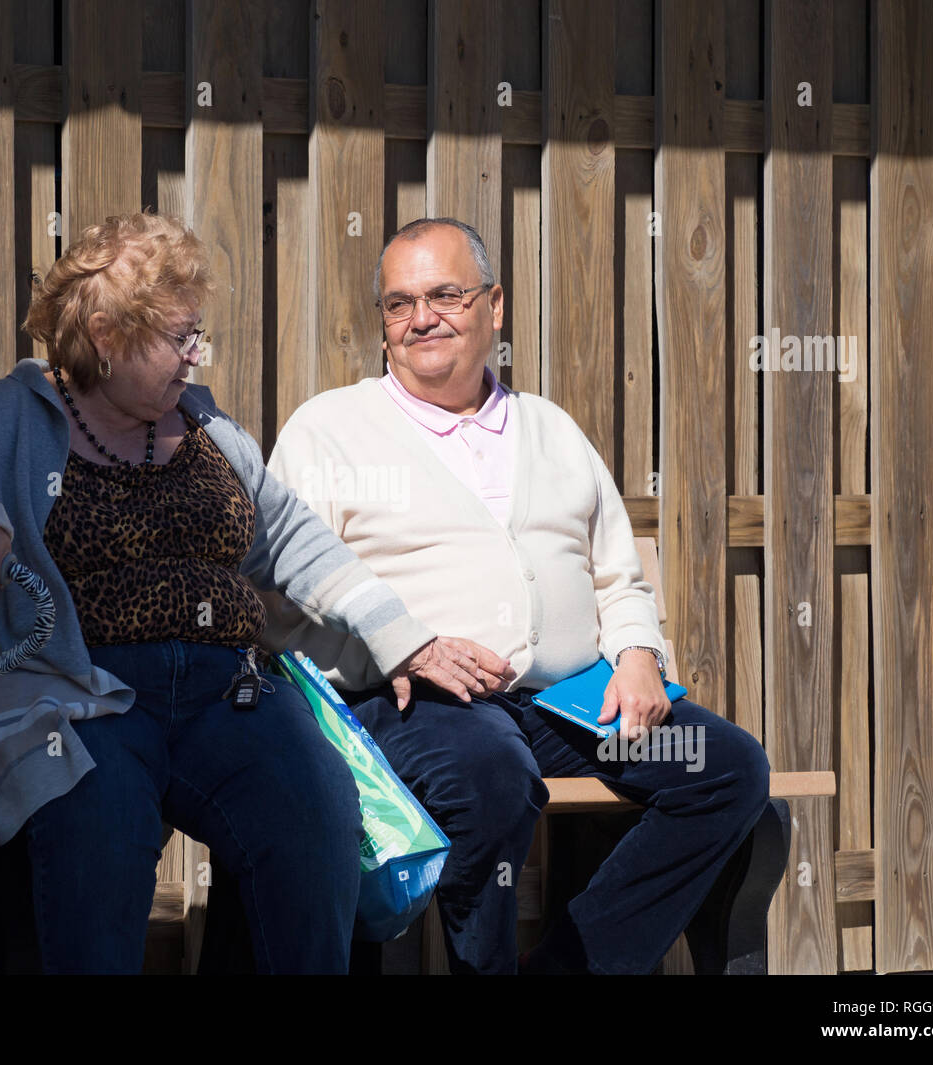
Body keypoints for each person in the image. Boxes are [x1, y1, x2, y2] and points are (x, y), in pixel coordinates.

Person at [0, 210, 509, 975]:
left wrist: (405, 638)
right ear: (105, 336)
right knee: (95, 825)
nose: (195, 354)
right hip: (81, 693)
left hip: (226, 693)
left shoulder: (208, 426)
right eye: (179, 337)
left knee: (318, 811)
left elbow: (297, 543)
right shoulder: (9, 415)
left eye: (196, 334)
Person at [261, 217, 771, 975]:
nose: (422, 317)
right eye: (399, 304)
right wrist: (397, 644)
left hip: (564, 704)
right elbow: (281, 584)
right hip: (412, 704)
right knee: (492, 779)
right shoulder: (331, 429)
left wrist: (637, 654)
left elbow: (616, 572)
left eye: (446, 294)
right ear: (382, 328)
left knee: (725, 766)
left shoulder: (550, 429)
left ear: (495, 306)